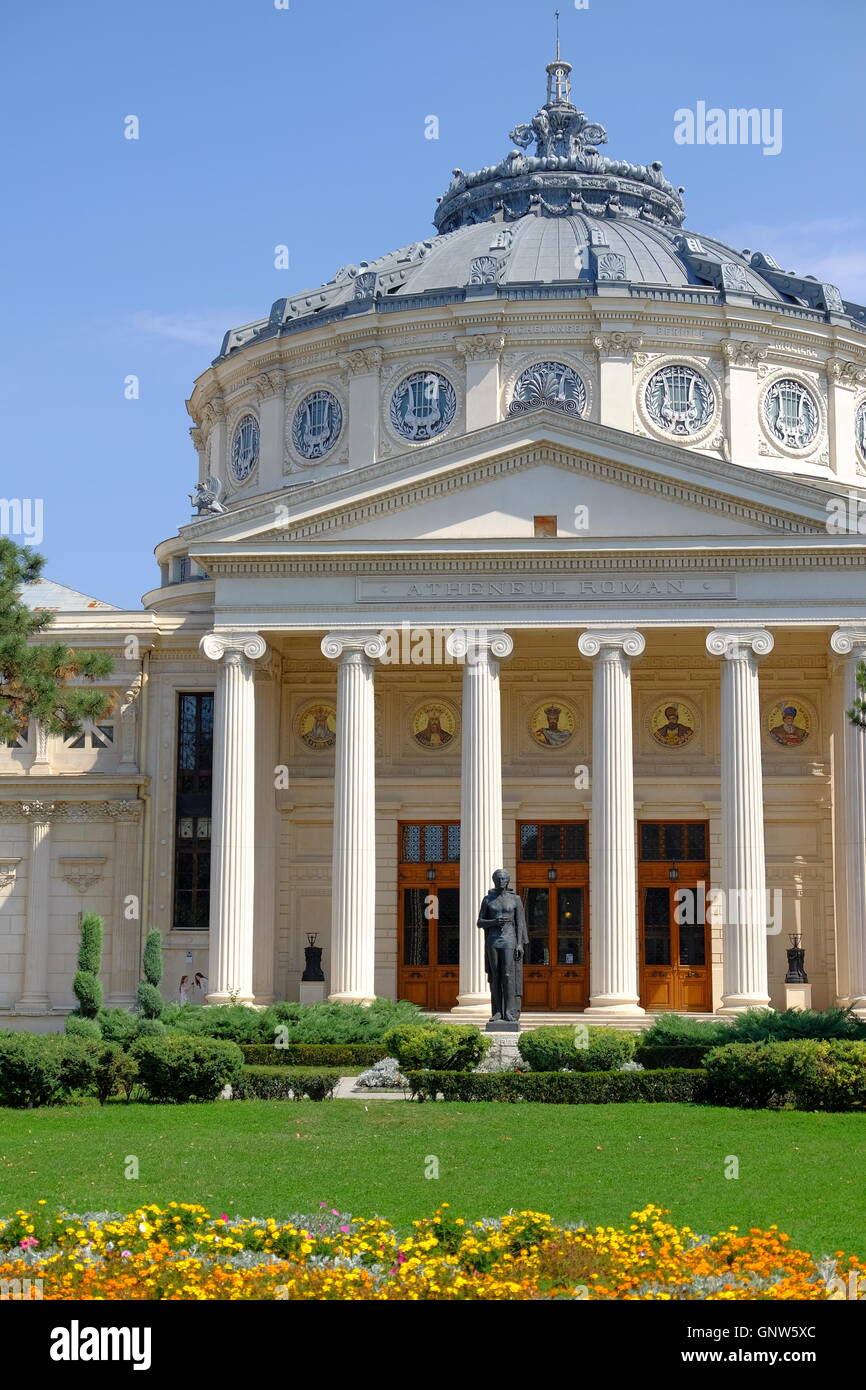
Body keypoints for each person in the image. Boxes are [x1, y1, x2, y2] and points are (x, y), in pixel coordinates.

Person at [477, 870, 529, 1023]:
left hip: (509, 940)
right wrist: (493, 922)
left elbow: (520, 923)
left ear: (508, 880)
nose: (501, 881)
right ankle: (498, 1011)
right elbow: (480, 922)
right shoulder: (488, 899)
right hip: (493, 941)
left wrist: (520, 944)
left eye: (504, 879)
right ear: (494, 880)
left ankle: (510, 1011)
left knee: (507, 976)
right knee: (495, 976)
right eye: (498, 878)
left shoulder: (515, 899)